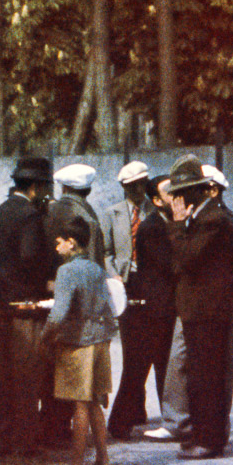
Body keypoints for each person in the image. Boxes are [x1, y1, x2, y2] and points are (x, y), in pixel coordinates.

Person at [165, 155, 233, 460]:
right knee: (200, 376)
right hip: (200, 309)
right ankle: (203, 435)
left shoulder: (213, 220)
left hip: (208, 310)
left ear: (196, 191)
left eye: (180, 194)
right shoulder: (203, 218)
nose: (176, 201)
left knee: (208, 377)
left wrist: (178, 227)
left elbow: (187, 260)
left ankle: (210, 440)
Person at [0, 157, 57, 457]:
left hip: (1, 301)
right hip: (27, 302)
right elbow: (29, 257)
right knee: (28, 376)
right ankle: (25, 441)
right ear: (36, 185)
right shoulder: (29, 215)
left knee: (4, 376)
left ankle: (5, 436)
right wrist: (49, 272)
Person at [43, 216, 117, 465]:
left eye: (59, 242)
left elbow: (58, 314)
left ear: (71, 243)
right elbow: (110, 306)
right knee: (95, 402)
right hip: (100, 341)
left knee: (80, 406)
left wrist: (45, 337)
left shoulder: (66, 271)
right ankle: (103, 459)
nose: (56, 247)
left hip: (78, 343)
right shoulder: (97, 269)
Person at [102, 161, 155, 440]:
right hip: (125, 283)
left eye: (142, 184)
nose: (139, 189)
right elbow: (106, 252)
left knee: (146, 347)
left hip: (149, 282)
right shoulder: (112, 214)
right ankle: (134, 406)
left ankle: (135, 406)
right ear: (124, 187)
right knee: (133, 347)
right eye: (133, 185)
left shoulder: (156, 211)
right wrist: (115, 279)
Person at [134, 175, 187, 444]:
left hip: (167, 302)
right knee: (160, 362)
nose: (176, 195)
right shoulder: (152, 227)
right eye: (169, 192)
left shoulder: (167, 221)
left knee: (162, 362)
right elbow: (170, 264)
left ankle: (169, 416)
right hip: (157, 305)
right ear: (156, 200)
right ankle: (167, 418)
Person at [47, 164, 105, 268]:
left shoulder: (48, 210)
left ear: (64, 188)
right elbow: (94, 262)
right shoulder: (88, 218)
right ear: (88, 191)